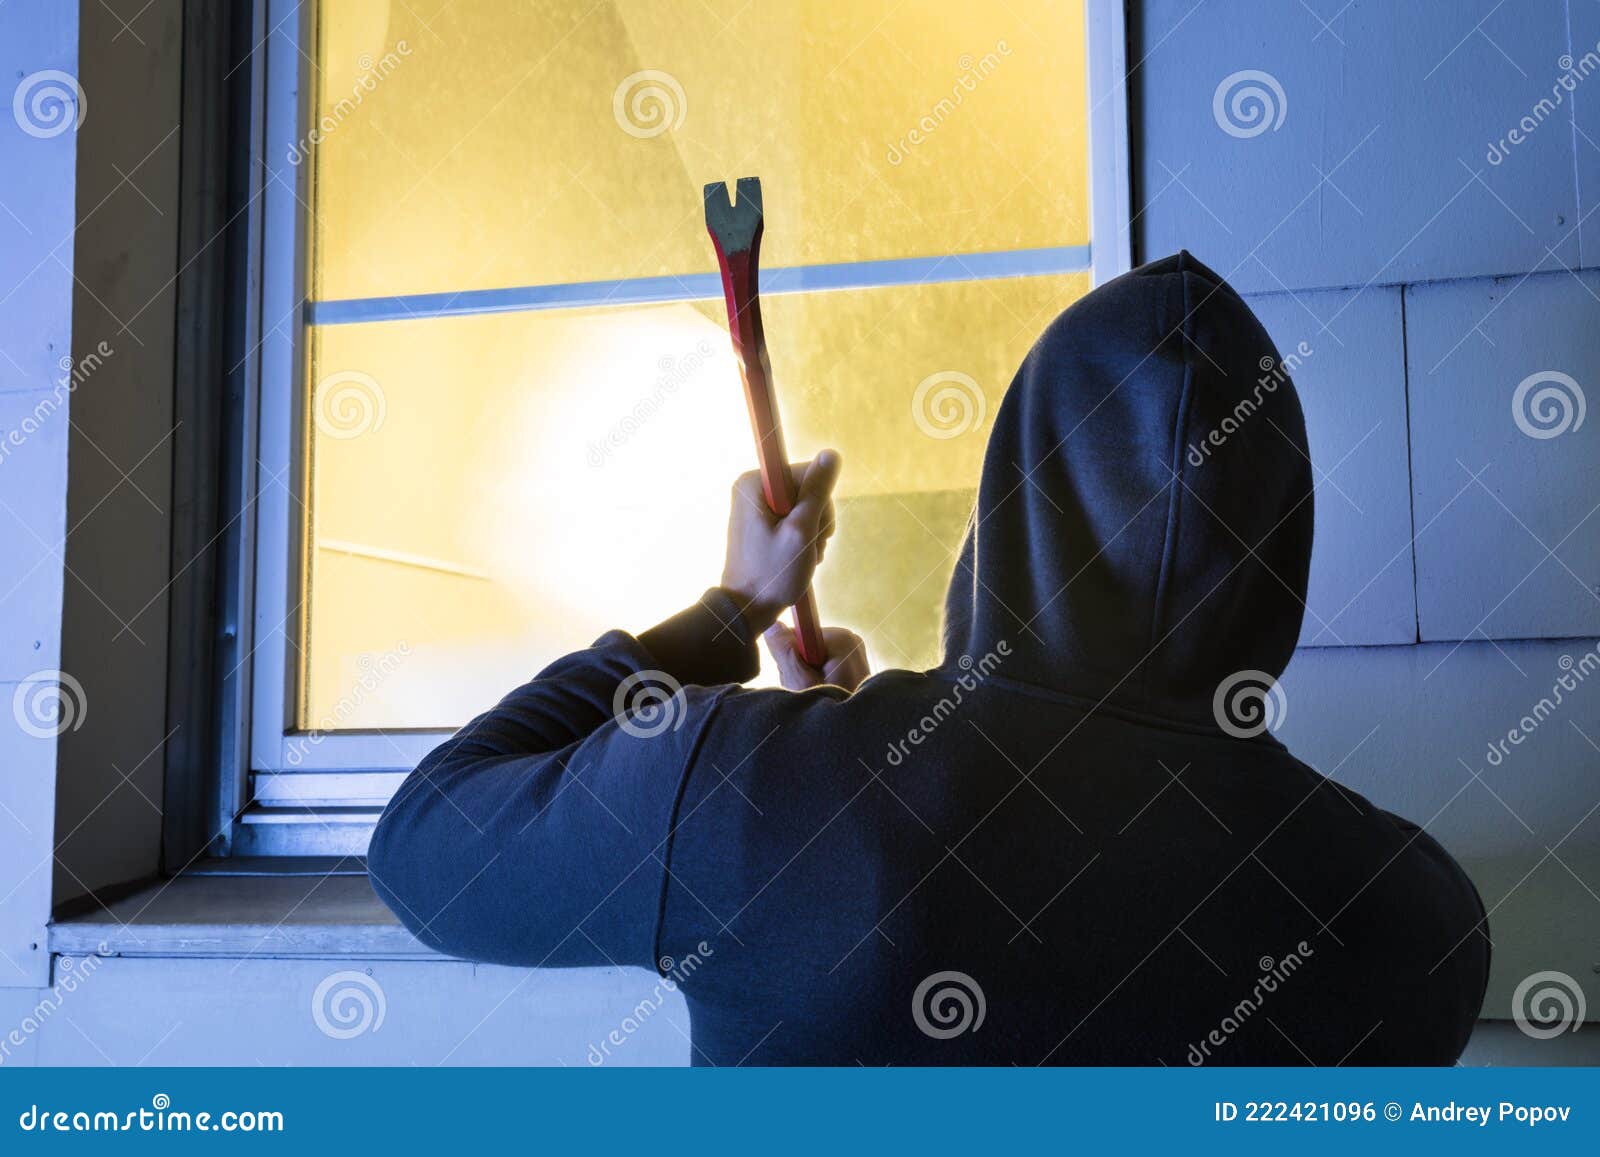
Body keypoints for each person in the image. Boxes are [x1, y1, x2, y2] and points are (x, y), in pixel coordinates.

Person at [369, 252, 1490, 1065]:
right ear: (1279, 541)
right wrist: (833, 759)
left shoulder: (771, 799)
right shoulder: (1417, 918)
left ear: (1015, 497)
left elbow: (430, 846)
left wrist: (732, 614)